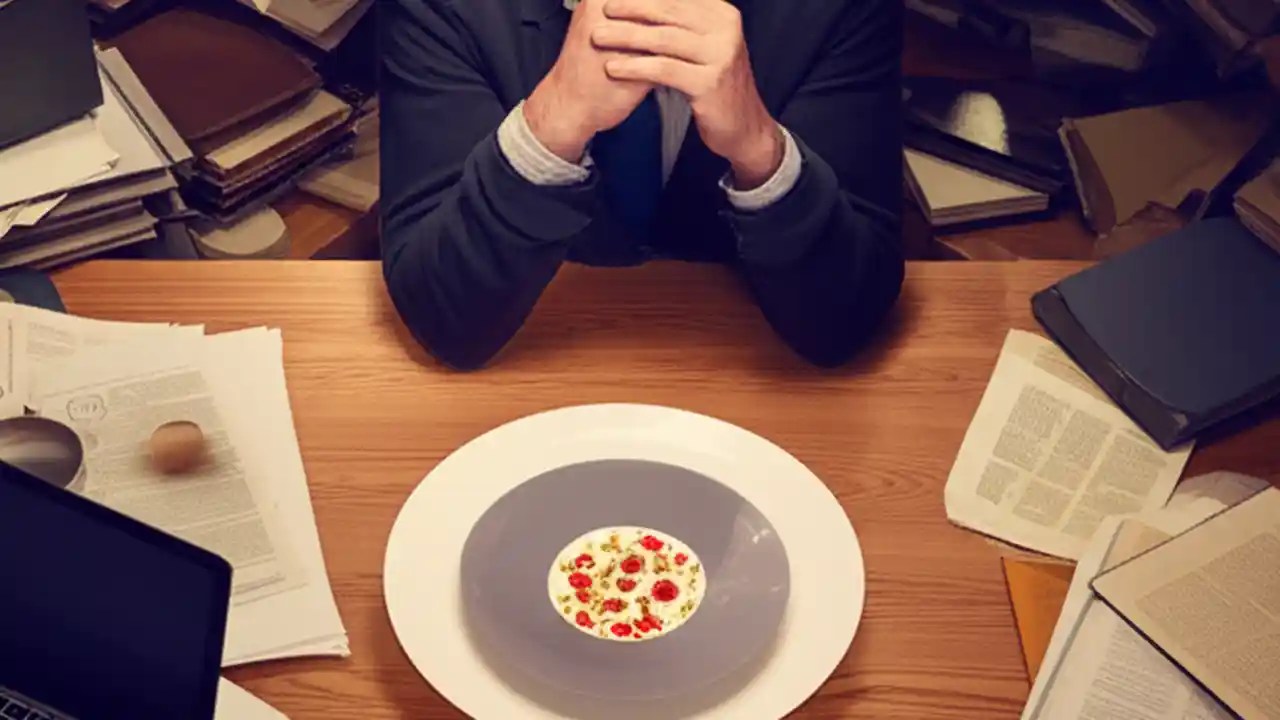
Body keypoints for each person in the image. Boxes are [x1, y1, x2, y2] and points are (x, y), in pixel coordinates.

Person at [381, 0, 905, 369]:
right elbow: (442, 319)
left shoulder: (840, 10)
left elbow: (847, 321)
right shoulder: (444, 8)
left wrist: (759, 148)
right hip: (531, 383)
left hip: (750, 385)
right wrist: (551, 123)